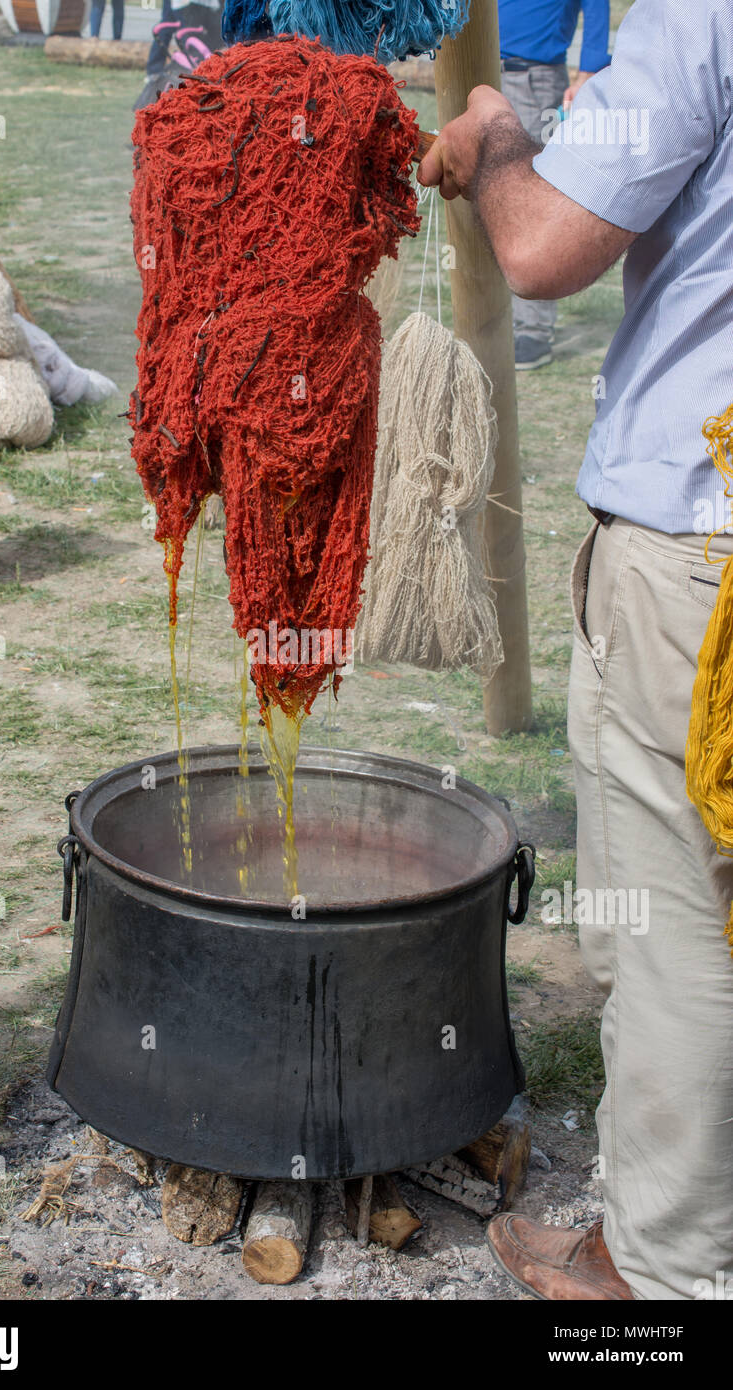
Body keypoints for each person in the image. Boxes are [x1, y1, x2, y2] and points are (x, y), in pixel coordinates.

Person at [419, 0, 733, 1302]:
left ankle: (665, 1279)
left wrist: (496, 136)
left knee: (675, 932)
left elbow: (544, 246)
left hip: (697, 552)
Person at [498, 0, 610, 370]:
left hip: (534, 77)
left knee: (532, 198)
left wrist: (590, 67)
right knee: (480, 195)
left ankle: (532, 330)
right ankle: (492, 318)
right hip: (482, 67)